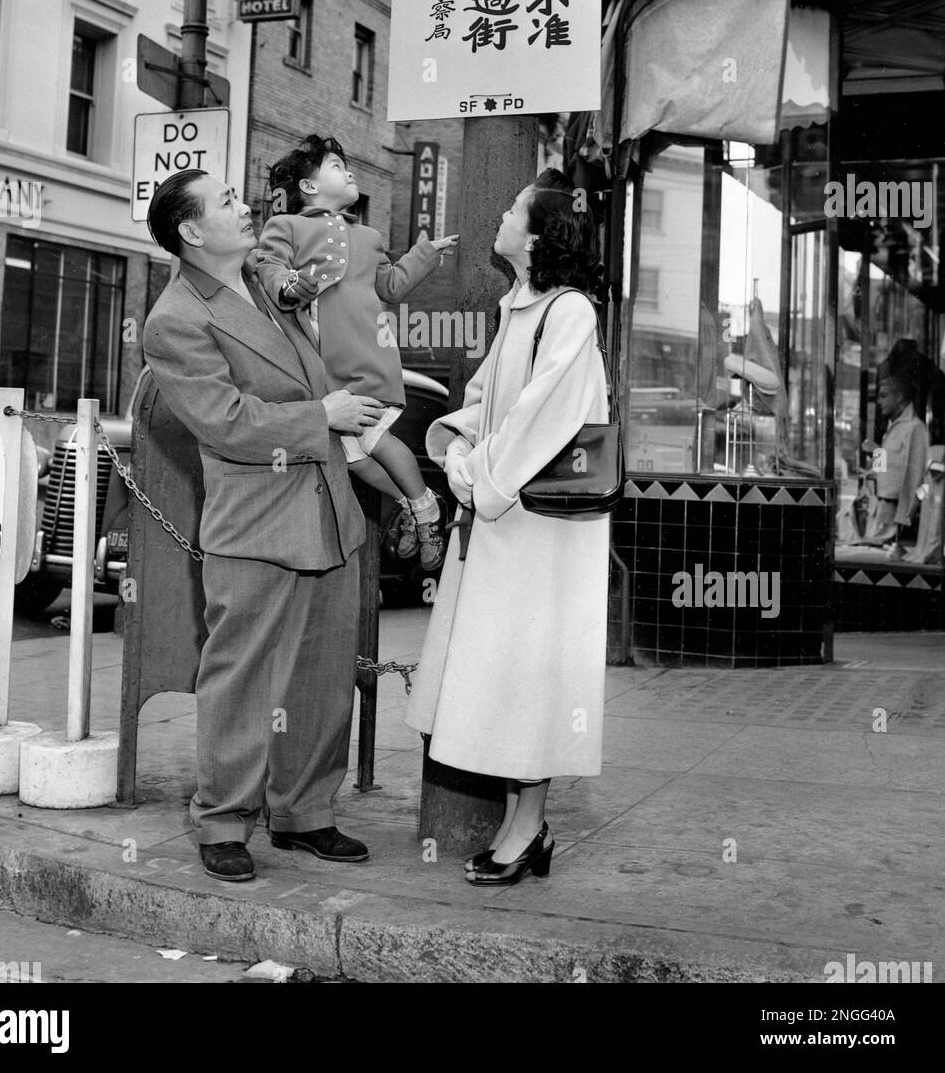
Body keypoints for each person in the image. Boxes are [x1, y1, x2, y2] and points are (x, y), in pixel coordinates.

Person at [142, 169, 382, 882]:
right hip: (255, 522)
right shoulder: (175, 318)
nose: (244, 205)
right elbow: (224, 423)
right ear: (190, 232)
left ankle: (304, 812)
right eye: (224, 202)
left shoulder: (263, 281)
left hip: (326, 510)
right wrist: (322, 418)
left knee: (323, 673)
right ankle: (221, 820)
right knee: (241, 678)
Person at [404, 169, 610, 887]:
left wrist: (477, 472)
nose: (499, 213)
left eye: (512, 206)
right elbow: (486, 398)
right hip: (502, 522)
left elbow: (542, 418)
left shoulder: (569, 311)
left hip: (541, 531)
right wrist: (458, 446)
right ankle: (524, 828)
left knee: (532, 676)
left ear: (537, 231)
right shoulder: (519, 304)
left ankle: (525, 830)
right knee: (508, 674)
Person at [251, 135, 458, 570]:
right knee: (356, 459)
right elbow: (269, 266)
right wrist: (288, 284)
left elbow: (391, 286)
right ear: (308, 187)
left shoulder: (369, 236)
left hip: (365, 359)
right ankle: (414, 502)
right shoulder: (285, 227)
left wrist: (424, 254)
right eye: (335, 165)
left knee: (375, 441)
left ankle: (425, 509)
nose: (349, 171)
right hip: (324, 372)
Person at [860, 373, 929, 549]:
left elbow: (915, 475)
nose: (879, 402)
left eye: (884, 396)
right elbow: (886, 470)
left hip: (897, 516)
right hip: (880, 512)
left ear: (899, 397)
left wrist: (906, 516)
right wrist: (876, 453)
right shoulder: (894, 427)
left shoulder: (915, 428)